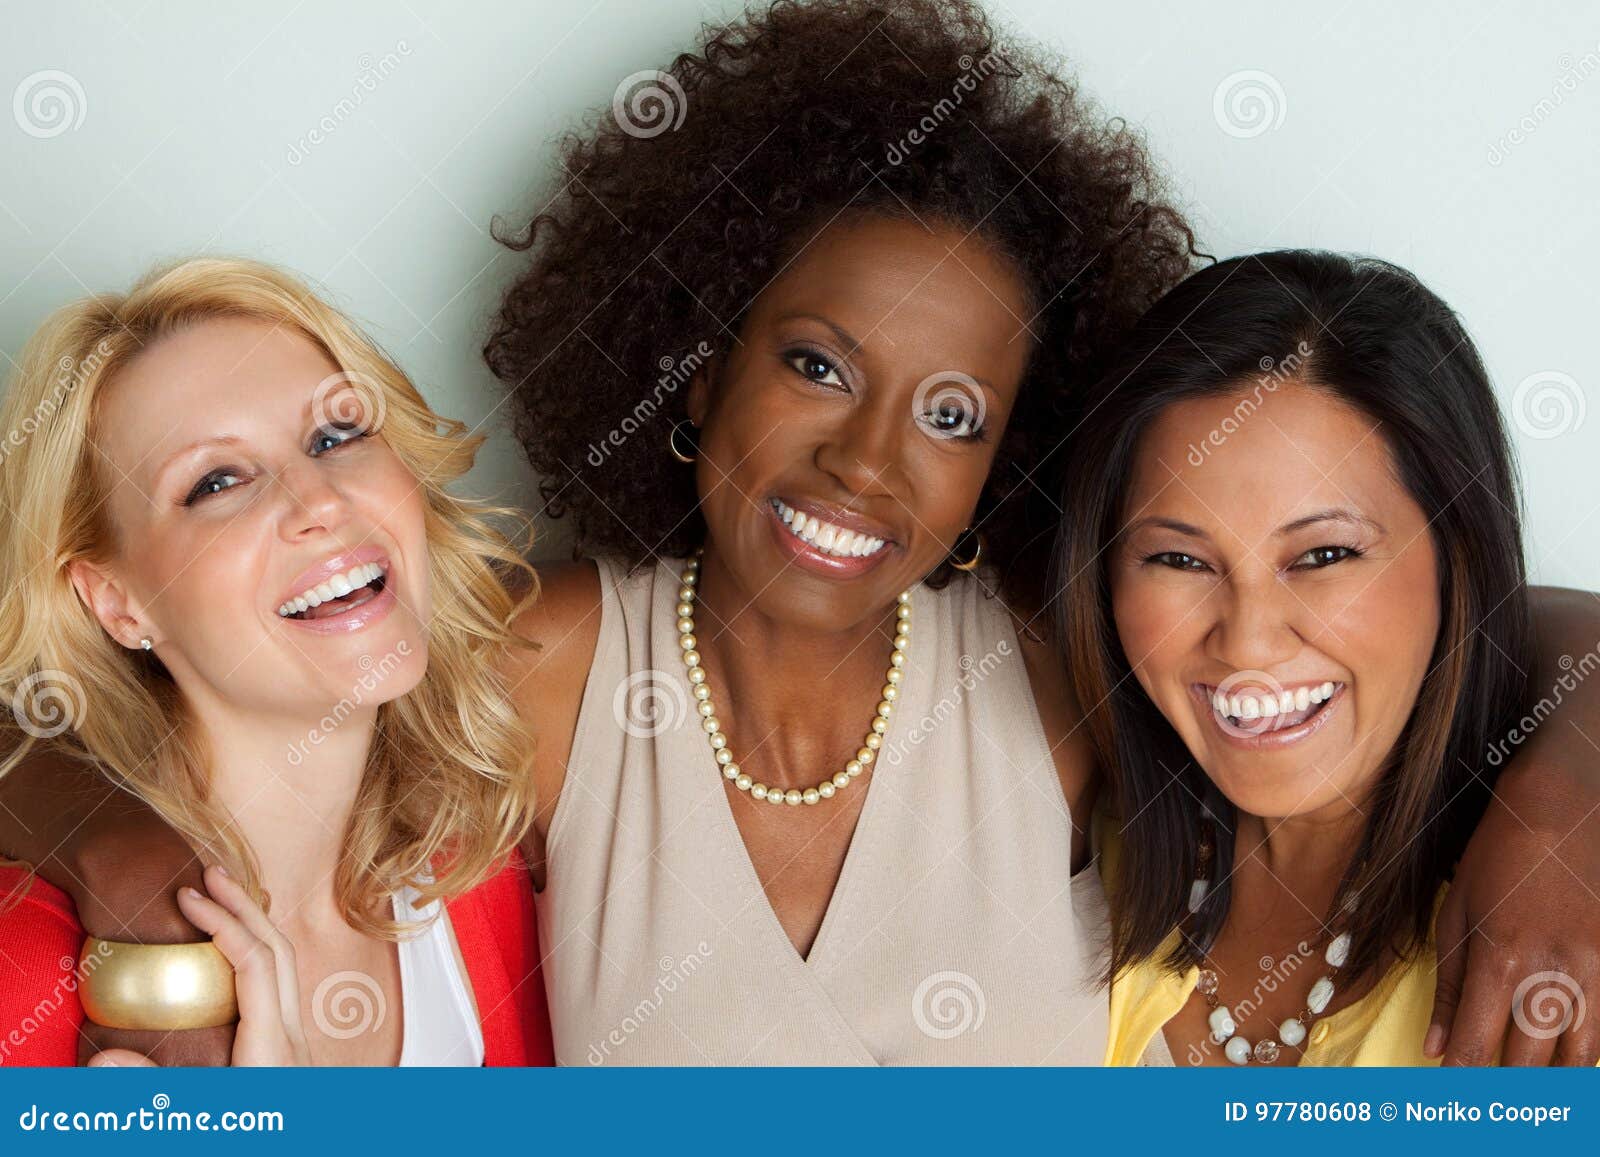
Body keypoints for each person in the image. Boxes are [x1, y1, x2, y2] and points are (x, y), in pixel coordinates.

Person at [5, 0, 1600, 1066]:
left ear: (1011, 458)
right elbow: (139, 707)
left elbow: (1478, 624)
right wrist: (135, 868)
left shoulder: (1060, 665)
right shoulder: (559, 663)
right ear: (698, 367)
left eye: (954, 414)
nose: (865, 463)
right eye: (819, 367)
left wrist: (1557, 809)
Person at [0, 258, 553, 1066]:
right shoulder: (24, 976)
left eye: (335, 436)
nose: (320, 500)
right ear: (117, 601)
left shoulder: (482, 877)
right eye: (218, 482)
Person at [1059, 250, 1598, 1066]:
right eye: (1178, 559)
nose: (1247, 641)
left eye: (1323, 555)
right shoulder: (1067, 845)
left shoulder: (1562, 941)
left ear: (1456, 557)